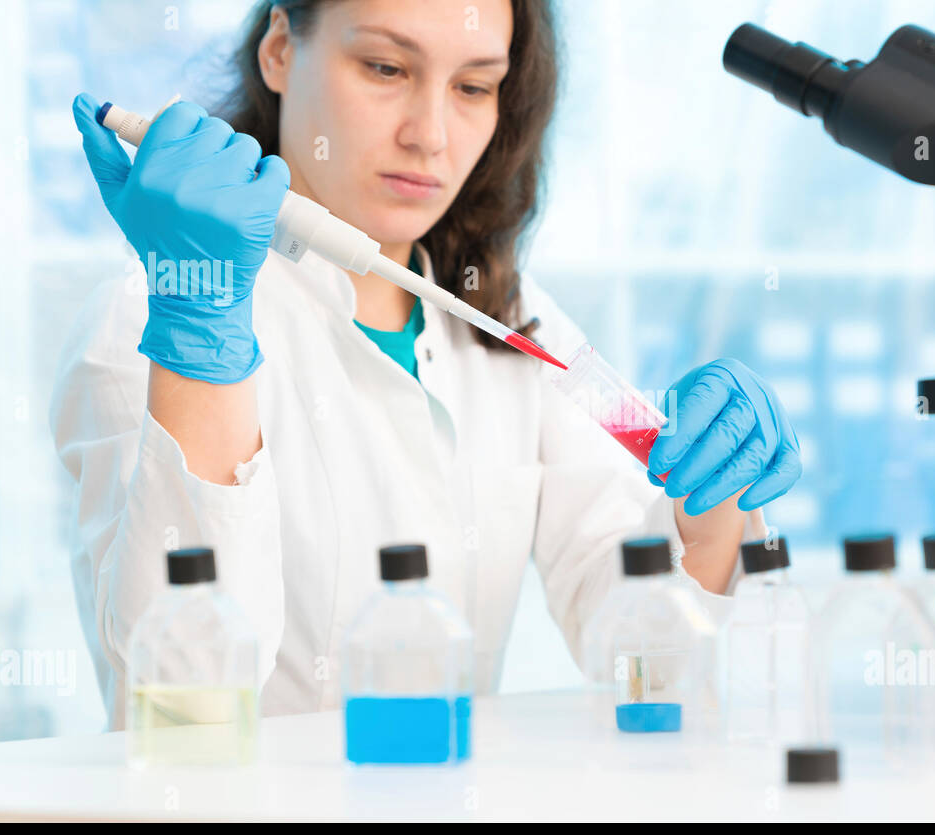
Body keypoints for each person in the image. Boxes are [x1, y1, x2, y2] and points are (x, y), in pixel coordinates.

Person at [51, 0, 801, 727]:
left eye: (473, 86)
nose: (431, 135)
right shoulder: (155, 319)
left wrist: (712, 509)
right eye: (384, 67)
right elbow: (188, 694)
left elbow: (650, 665)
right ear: (280, 48)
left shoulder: (509, 321)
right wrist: (201, 338)